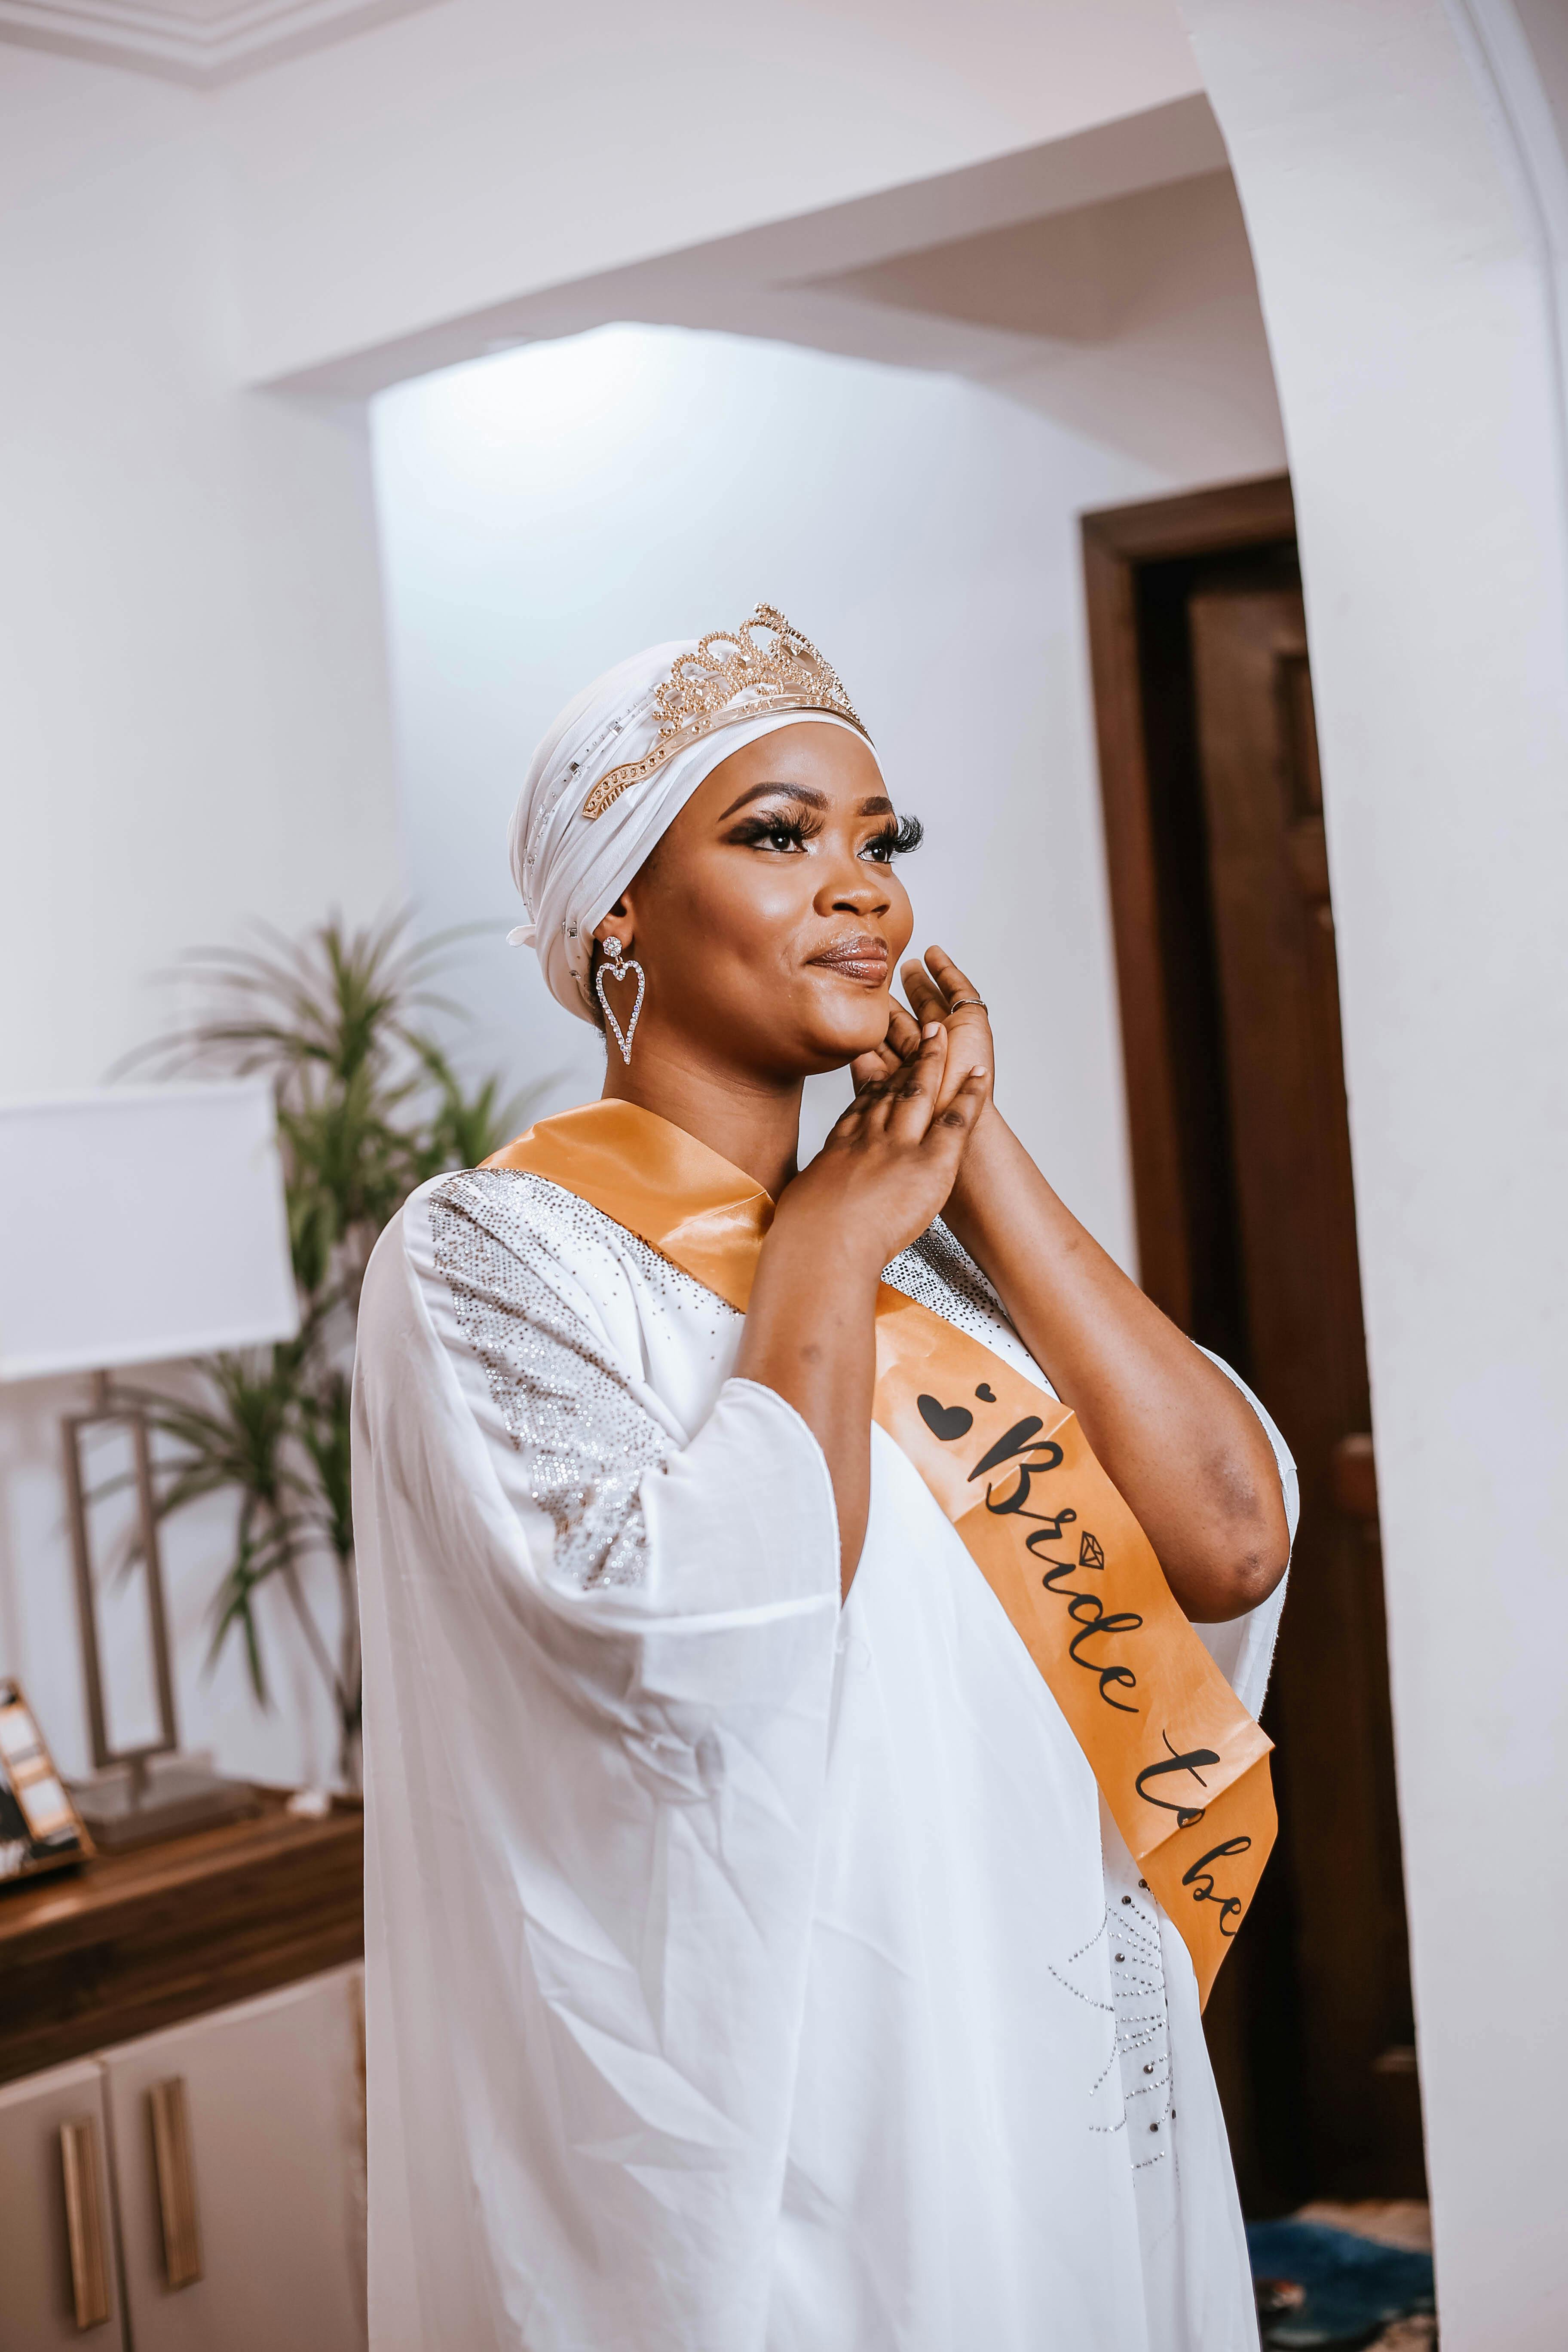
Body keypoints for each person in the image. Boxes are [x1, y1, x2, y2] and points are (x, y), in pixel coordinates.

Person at [352, 605, 1296, 2352]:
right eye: (780, 836)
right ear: (617, 904)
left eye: (885, 844)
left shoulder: (934, 1260)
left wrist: (969, 1144)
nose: (862, 888)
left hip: (1049, 2034)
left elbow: (1228, 1541)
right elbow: (709, 1637)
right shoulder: (490, 1257)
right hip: (802, 2103)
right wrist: (828, 1253)